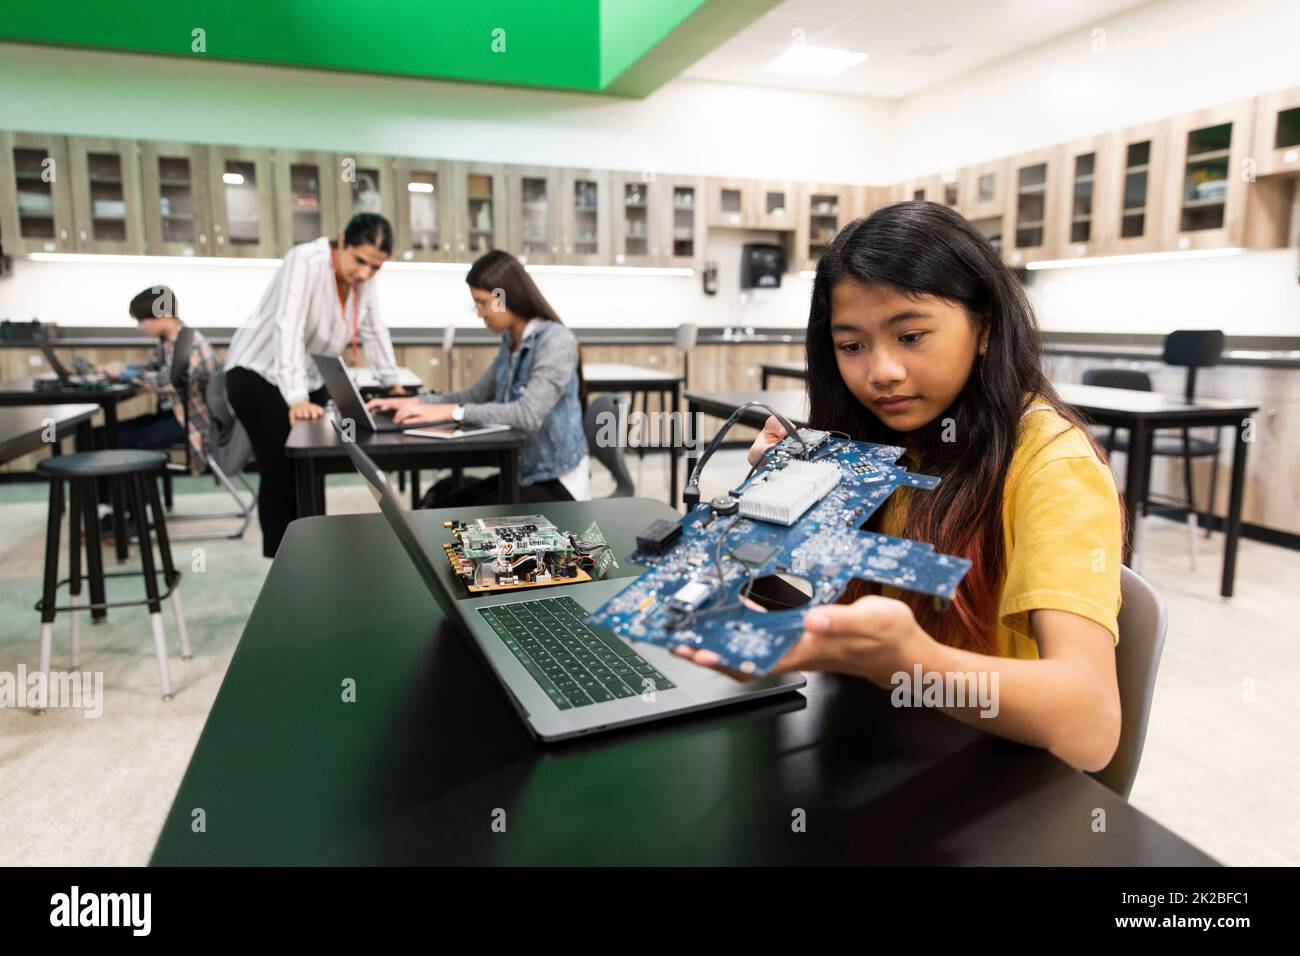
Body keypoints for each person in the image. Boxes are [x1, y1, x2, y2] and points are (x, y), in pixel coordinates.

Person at [675, 201, 1126, 773]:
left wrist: (915, 665)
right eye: (852, 346)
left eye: (910, 335)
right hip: (886, 747)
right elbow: (831, 601)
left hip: (999, 783)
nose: (880, 371)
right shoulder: (878, 441)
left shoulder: (1050, 464)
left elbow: (1092, 726)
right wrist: (778, 509)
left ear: (983, 326)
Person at [224, 213, 402, 556]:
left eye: (376, 267)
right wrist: (295, 397)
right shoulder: (305, 260)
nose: (365, 273)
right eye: (360, 260)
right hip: (257, 373)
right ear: (342, 242)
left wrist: (392, 383)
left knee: (311, 465)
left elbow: (373, 329)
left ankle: (311, 555)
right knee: (282, 466)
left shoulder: (364, 280)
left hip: (307, 375)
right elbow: (287, 326)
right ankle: (282, 564)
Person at [367, 249, 588, 505]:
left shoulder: (556, 341)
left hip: (557, 482)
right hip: (522, 473)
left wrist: (454, 412)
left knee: (456, 518)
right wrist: (417, 403)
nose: (479, 312)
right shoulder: (512, 341)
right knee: (439, 503)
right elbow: (475, 395)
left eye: (482, 303)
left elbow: (527, 415)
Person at [94, 286, 218, 519]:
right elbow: (151, 366)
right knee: (100, 436)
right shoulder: (172, 340)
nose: (140, 326)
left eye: (143, 320)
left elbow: (165, 382)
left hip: (191, 424)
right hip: (175, 416)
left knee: (119, 442)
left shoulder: (188, 344)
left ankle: (133, 516)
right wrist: (123, 369)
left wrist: (123, 373)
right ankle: (107, 509)